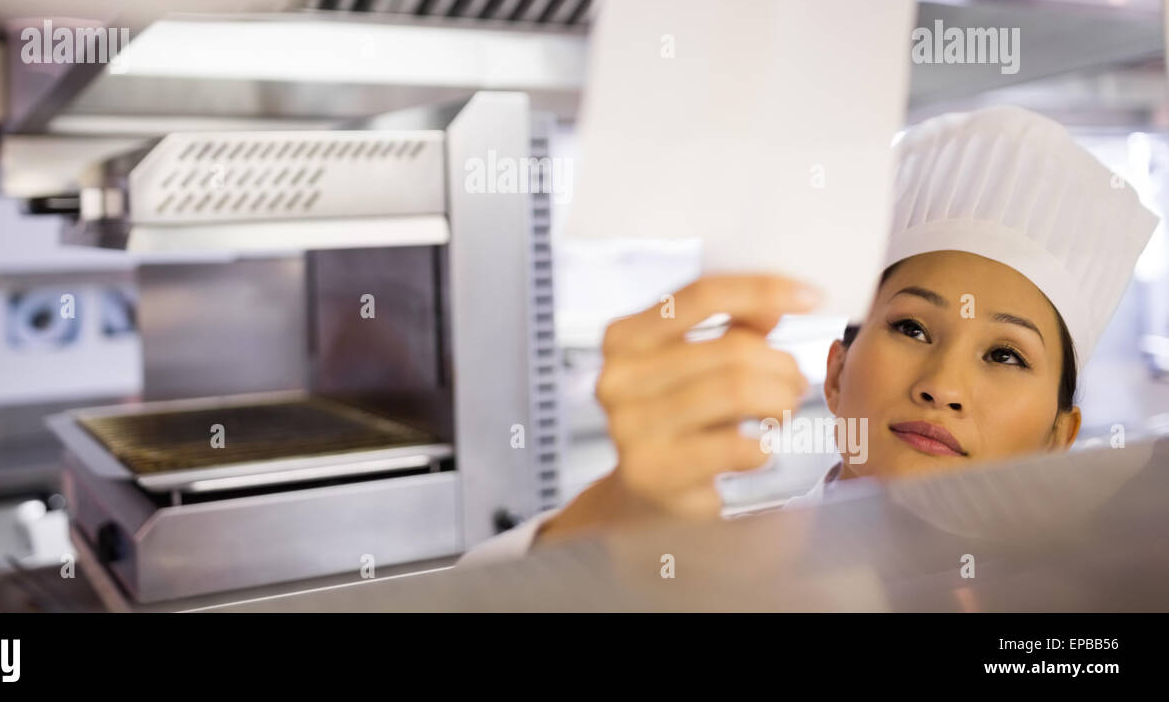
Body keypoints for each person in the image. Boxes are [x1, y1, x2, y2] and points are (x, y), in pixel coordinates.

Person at [458, 105, 1159, 565]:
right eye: (912, 326)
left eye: (1006, 354)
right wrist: (614, 524)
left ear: (1059, 438)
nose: (942, 385)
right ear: (835, 372)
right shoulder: (722, 577)